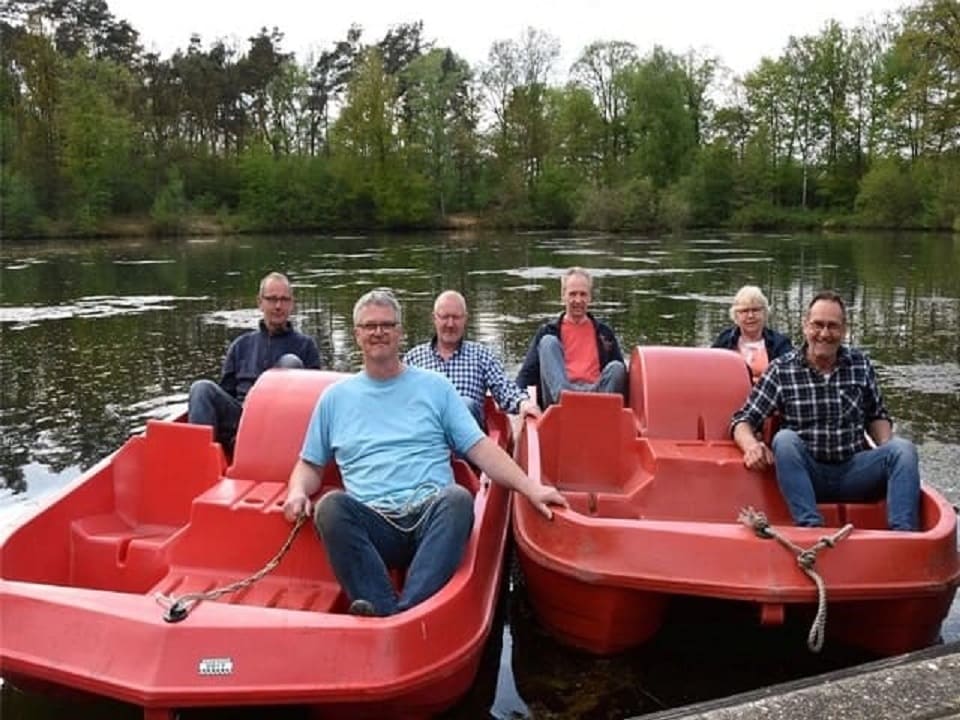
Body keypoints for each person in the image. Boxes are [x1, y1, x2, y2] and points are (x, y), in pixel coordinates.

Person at [282, 289, 567, 617]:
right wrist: (297, 491)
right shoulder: (334, 399)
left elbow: (480, 447)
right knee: (331, 507)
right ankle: (389, 611)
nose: (379, 332)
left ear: (400, 332)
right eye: (370, 326)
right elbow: (310, 464)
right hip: (373, 523)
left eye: (387, 325)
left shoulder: (435, 387)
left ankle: (403, 611)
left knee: (458, 499)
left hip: (431, 519)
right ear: (357, 333)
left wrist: (531, 488)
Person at [730, 289, 920, 531]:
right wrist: (751, 446)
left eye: (833, 326)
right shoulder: (781, 370)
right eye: (818, 325)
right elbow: (743, 420)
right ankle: (811, 528)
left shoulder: (860, 365)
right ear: (805, 326)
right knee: (784, 440)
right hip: (806, 475)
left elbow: (877, 415)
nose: (824, 334)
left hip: (855, 471)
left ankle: (904, 537)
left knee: (903, 450)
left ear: (844, 330)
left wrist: (885, 445)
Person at [187, 272, 321, 453]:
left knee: (290, 362)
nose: (278, 306)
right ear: (260, 302)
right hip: (241, 418)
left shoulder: (306, 346)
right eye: (272, 299)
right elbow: (226, 392)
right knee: (201, 388)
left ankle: (252, 444)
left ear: (292, 304)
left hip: (281, 423)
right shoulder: (241, 345)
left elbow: (314, 404)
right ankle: (201, 457)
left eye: (284, 300)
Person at [404, 289, 540, 428]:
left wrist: (522, 403)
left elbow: (503, 386)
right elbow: (398, 397)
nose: (450, 324)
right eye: (445, 317)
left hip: (468, 436)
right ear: (434, 318)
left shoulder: (480, 355)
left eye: (456, 317)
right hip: (424, 431)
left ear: (465, 319)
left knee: (464, 404)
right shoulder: (414, 359)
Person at [516, 267, 626, 408]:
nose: (578, 300)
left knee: (617, 367)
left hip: (596, 396)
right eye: (573, 294)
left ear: (590, 297)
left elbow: (621, 379)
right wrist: (520, 402)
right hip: (560, 400)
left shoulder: (604, 333)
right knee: (548, 342)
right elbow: (525, 376)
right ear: (563, 296)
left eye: (583, 294)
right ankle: (567, 403)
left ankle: (599, 411)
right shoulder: (547, 331)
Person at [712, 285, 793, 383]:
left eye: (755, 310)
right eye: (744, 311)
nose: (750, 316)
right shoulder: (724, 340)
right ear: (736, 315)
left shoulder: (780, 343)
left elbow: (789, 377)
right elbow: (712, 370)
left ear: (765, 313)